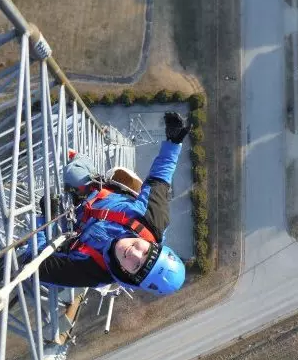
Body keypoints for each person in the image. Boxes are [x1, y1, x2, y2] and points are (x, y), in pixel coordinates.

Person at [30, 112, 191, 296]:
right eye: (146, 252)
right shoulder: (153, 222)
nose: (134, 254)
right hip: (94, 194)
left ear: (127, 275)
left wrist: (42, 220)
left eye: (137, 266)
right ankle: (80, 161)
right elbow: (159, 179)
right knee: (74, 172)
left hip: (71, 222)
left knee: (50, 213)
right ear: (152, 244)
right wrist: (174, 142)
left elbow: (36, 266)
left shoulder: (94, 272)